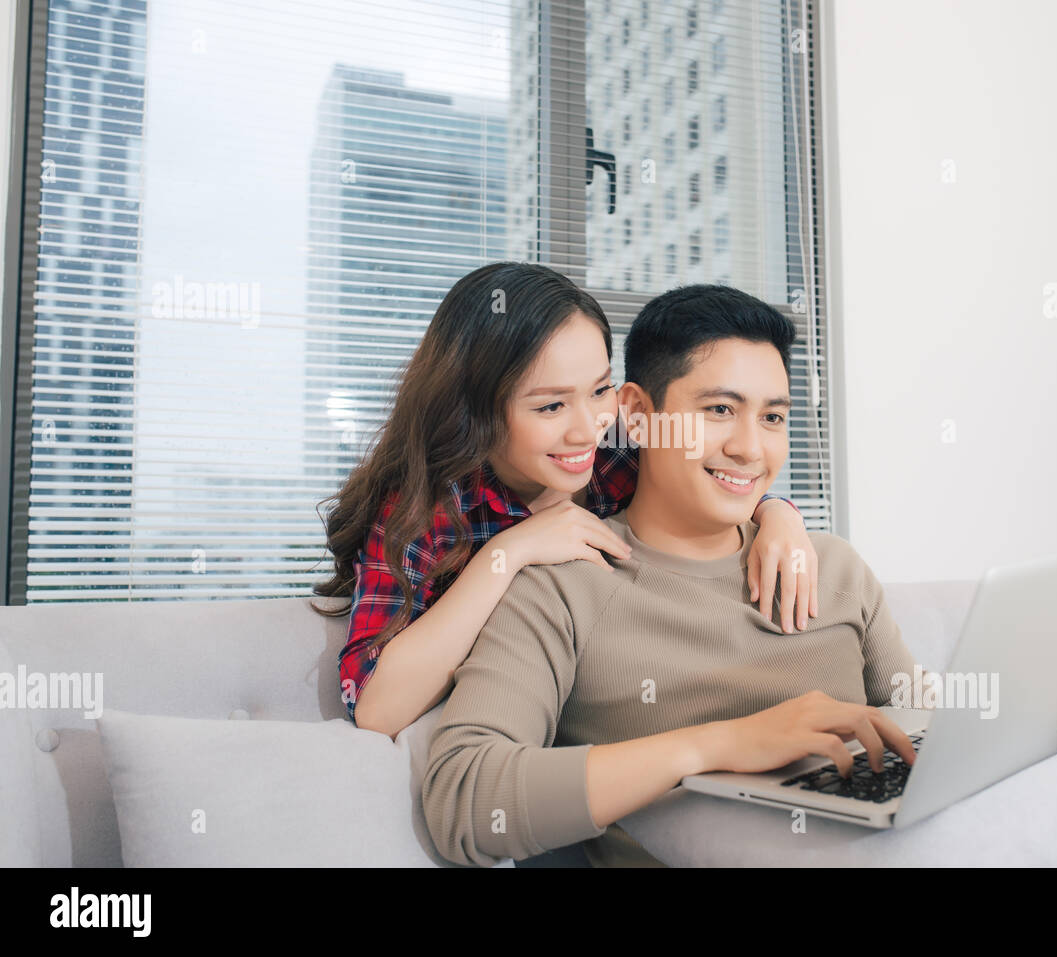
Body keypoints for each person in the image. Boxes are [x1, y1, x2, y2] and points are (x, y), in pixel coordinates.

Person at [421, 284, 1057, 869]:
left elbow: (933, 745)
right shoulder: (561, 581)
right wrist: (720, 746)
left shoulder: (828, 568)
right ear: (638, 417)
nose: (752, 448)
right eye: (718, 410)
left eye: (774, 416)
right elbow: (465, 795)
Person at [311, 263, 820, 740]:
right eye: (551, 405)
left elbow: (725, 470)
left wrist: (777, 514)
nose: (586, 430)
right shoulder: (429, 507)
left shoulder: (619, 453)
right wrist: (507, 554)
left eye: (600, 392)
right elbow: (376, 707)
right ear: (476, 408)